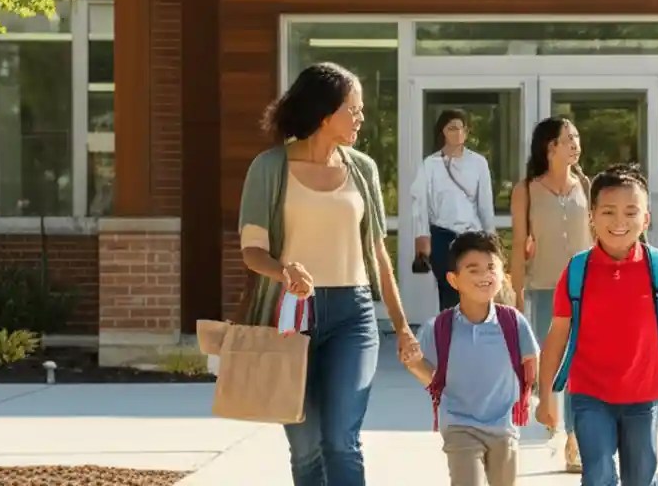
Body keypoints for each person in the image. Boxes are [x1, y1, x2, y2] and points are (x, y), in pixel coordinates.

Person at [237, 62, 416, 486]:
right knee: (305, 446)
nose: (360, 118)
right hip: (290, 317)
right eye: (353, 109)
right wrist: (284, 271)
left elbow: (378, 254)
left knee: (341, 439)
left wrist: (403, 326)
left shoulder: (363, 169)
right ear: (324, 113)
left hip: (352, 316)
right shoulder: (269, 168)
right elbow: (252, 252)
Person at [536, 164, 658, 486]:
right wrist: (546, 396)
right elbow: (557, 337)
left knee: (641, 477)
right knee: (597, 473)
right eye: (609, 212)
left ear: (646, 219)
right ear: (592, 217)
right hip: (589, 395)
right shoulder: (577, 272)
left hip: (643, 397)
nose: (619, 222)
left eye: (631, 212)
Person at [403, 231, 539, 486]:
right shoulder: (440, 327)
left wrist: (540, 401)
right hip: (460, 425)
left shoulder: (513, 322)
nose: (484, 276)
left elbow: (532, 361)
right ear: (453, 280)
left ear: (502, 274)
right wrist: (413, 364)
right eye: (473, 270)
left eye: (491, 268)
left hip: (504, 426)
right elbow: (433, 378)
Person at [509, 116, 592, 472]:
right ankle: (551, 414)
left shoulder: (585, 184)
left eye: (576, 138)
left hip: (586, 287)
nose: (575, 144)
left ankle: (575, 440)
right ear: (550, 147)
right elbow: (516, 244)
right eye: (568, 138)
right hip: (545, 288)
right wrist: (515, 293)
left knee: (579, 365)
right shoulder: (526, 189)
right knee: (552, 364)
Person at [414, 108, 497, 312]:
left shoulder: (478, 163)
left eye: (461, 128)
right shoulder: (430, 164)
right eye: (452, 128)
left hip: (472, 235)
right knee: (449, 291)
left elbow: (485, 204)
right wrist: (422, 238)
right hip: (443, 235)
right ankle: (449, 336)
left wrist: (491, 238)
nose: (457, 133)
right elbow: (421, 204)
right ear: (442, 132)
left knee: (476, 288)